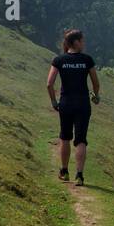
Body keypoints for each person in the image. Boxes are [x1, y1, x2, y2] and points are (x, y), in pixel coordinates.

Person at [46, 29, 101, 186]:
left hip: (66, 103)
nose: (84, 43)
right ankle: (80, 175)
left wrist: (54, 102)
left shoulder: (59, 60)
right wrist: (95, 96)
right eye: (82, 41)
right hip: (83, 104)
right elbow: (96, 83)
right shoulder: (87, 60)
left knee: (65, 137)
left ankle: (64, 171)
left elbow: (49, 84)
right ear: (76, 42)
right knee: (81, 140)